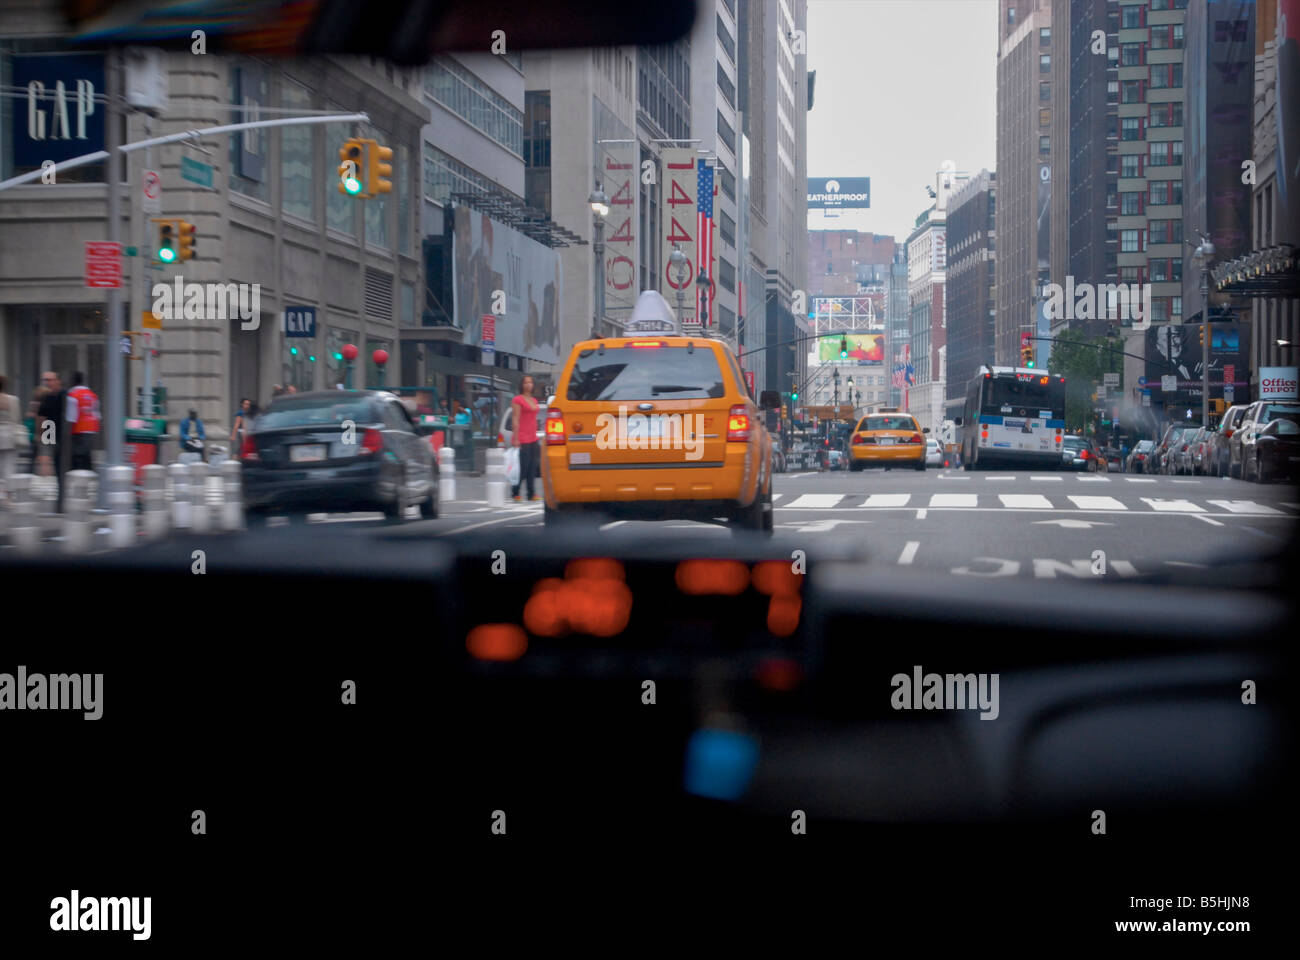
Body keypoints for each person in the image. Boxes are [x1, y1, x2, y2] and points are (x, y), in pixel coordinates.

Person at [36, 372, 67, 511]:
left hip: (65, 435)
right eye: (46, 380)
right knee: (57, 465)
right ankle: (60, 501)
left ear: (57, 381)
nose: (48, 383)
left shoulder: (65, 395)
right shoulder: (47, 398)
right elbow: (41, 417)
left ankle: (63, 499)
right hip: (52, 434)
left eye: (50, 380)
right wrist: (41, 435)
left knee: (63, 467)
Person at [510, 375, 541, 501]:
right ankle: (515, 492)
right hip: (522, 437)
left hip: (533, 437)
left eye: (530, 382)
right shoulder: (517, 400)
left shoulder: (534, 400)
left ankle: (531, 493)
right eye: (526, 382)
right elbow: (515, 419)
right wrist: (516, 438)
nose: (528, 385)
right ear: (522, 385)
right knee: (523, 466)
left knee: (533, 466)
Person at [65, 371, 101, 473]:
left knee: (78, 455)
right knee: (87, 453)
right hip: (91, 428)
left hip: (78, 429)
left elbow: (71, 417)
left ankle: (78, 475)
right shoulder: (92, 395)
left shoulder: (72, 395)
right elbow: (97, 414)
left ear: (73, 381)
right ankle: (89, 474)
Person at [0, 374, 20, 494]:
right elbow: (16, 418)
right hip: (10, 436)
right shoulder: (13, 400)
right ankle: (9, 496)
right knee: (9, 467)